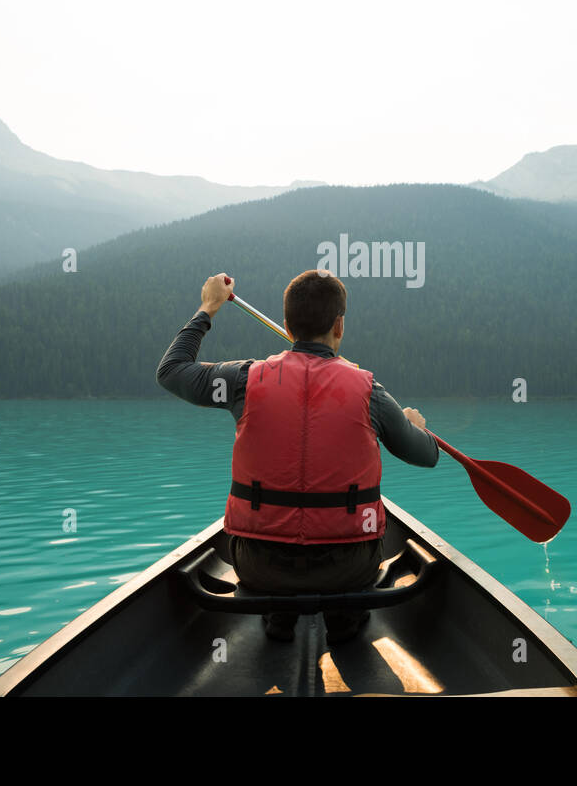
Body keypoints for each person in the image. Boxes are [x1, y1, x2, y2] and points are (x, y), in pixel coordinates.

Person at [156, 269, 439, 643]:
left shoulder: (243, 381)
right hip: (349, 568)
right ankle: (343, 620)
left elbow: (172, 371)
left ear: (287, 326)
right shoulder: (370, 391)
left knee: (273, 543)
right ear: (339, 326)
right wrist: (409, 423)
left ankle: (280, 616)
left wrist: (207, 308)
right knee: (372, 524)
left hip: (259, 567)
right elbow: (427, 455)